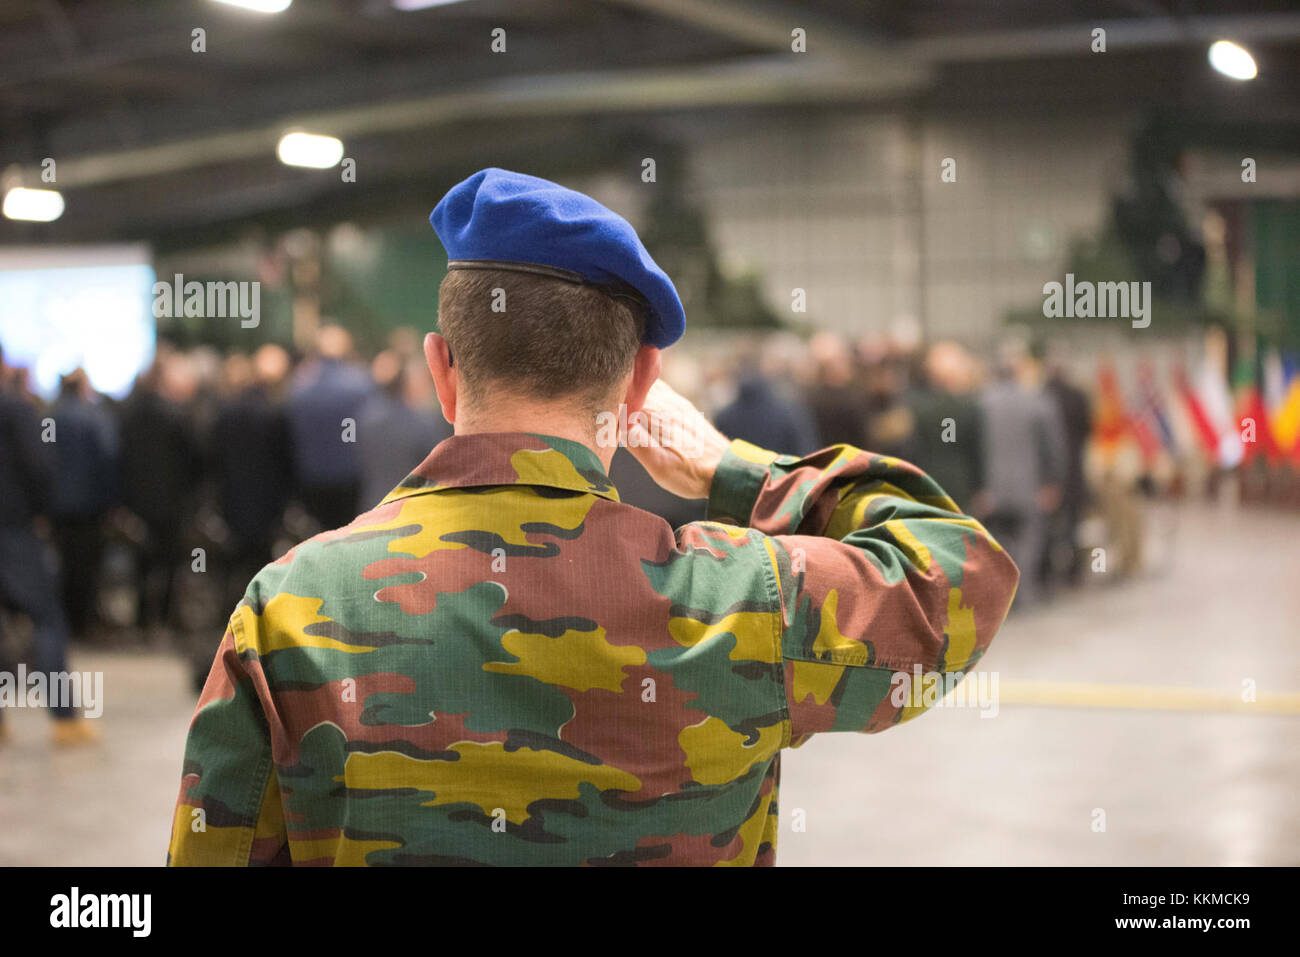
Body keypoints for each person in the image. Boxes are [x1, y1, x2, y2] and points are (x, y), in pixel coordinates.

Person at [167, 168, 1018, 866]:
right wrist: (736, 471)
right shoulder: (744, 601)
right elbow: (960, 574)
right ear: (644, 380)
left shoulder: (290, 605)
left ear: (441, 367)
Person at [0, 346, 99, 746]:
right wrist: (42, 512)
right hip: (15, 529)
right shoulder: (17, 410)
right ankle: (65, 720)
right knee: (46, 620)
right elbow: (39, 468)